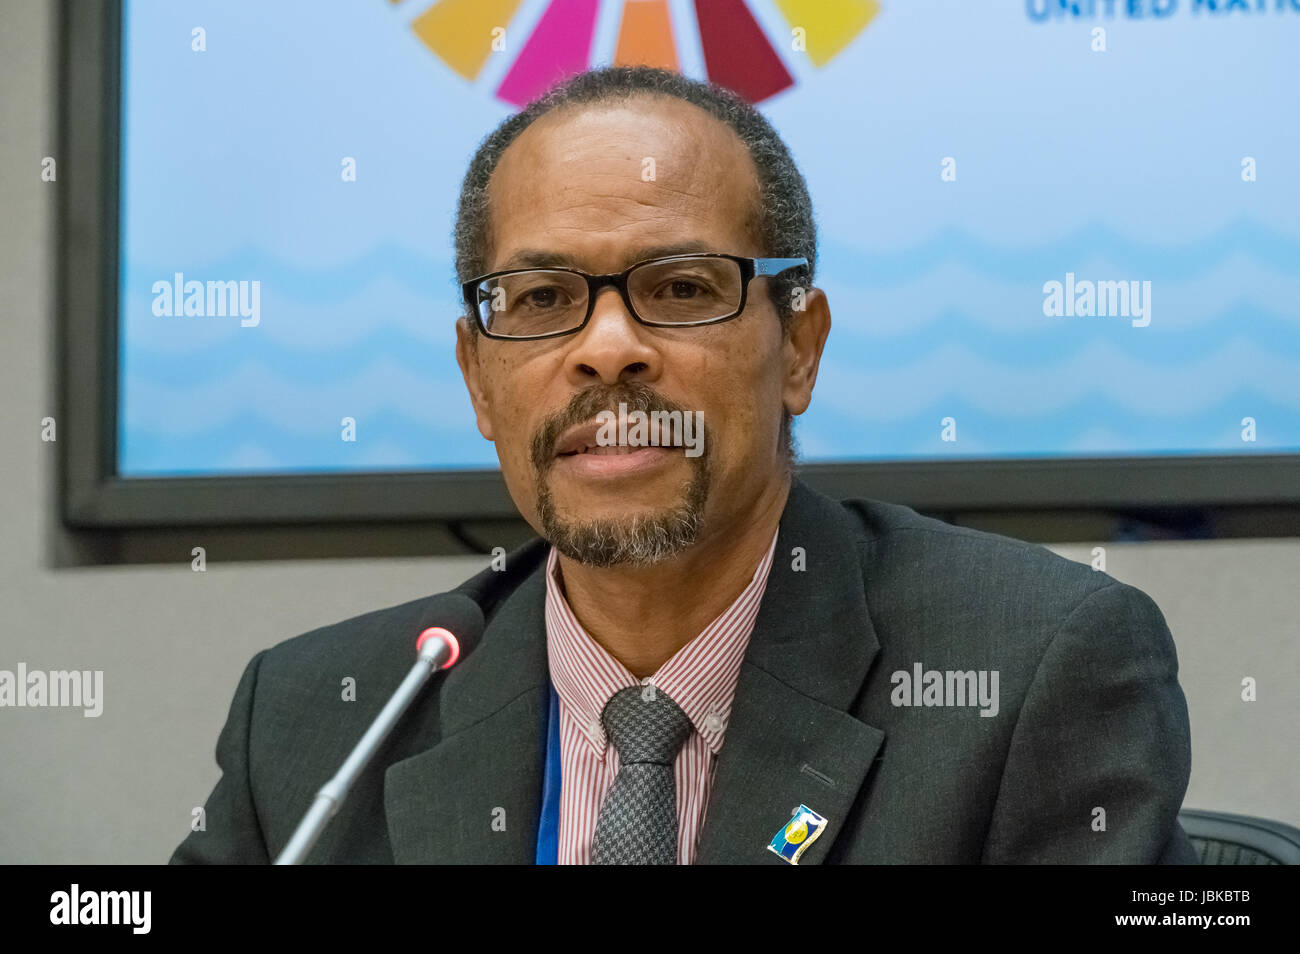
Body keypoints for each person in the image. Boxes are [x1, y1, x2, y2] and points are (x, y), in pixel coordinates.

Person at [171, 65, 1195, 865]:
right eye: (539, 301)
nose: (607, 347)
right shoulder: (322, 716)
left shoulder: (1031, 673)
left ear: (797, 347)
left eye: (679, 287)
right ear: (478, 382)